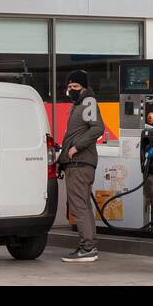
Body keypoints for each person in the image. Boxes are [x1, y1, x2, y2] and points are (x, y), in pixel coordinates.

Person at [58, 69, 105, 263]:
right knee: (83, 206)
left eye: (75, 86)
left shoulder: (88, 101)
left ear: (84, 87)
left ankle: (87, 248)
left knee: (79, 207)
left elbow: (97, 128)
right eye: (69, 87)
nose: (71, 89)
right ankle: (89, 245)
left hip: (80, 163)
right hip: (77, 163)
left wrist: (76, 147)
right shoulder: (79, 104)